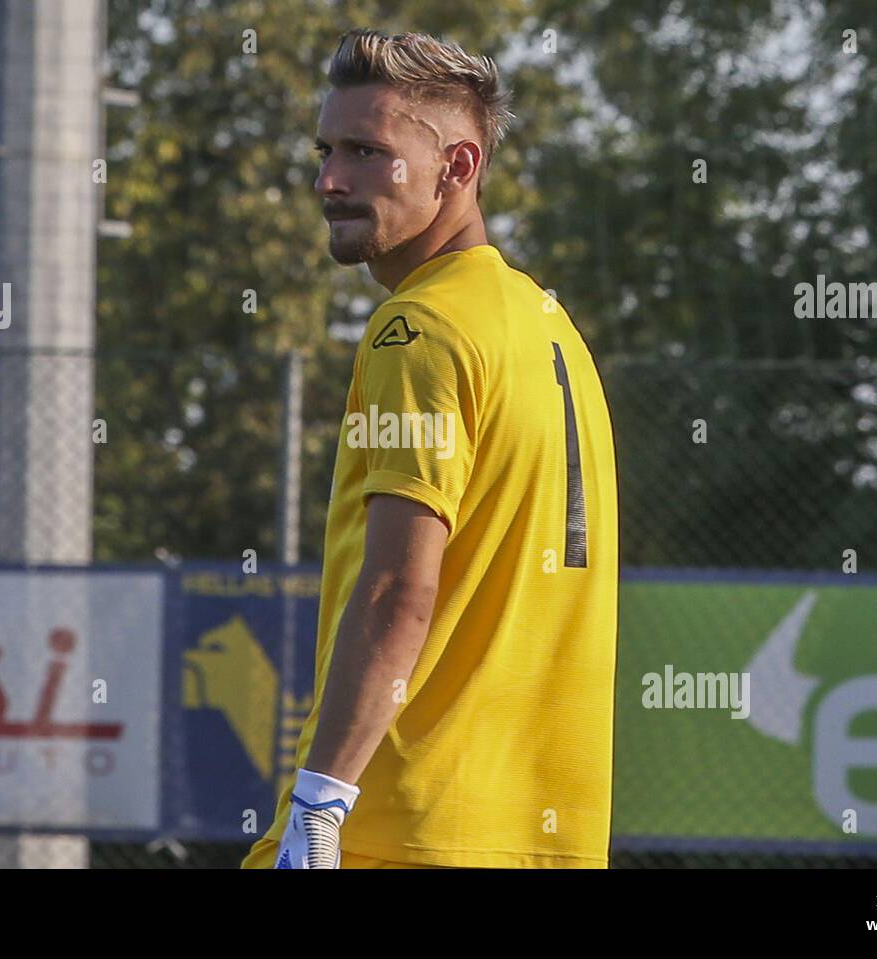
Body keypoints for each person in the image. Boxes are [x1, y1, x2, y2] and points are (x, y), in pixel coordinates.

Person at [241, 27, 619, 869]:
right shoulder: (553, 330)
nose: (328, 180)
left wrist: (319, 805)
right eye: (326, 149)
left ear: (458, 168)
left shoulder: (418, 328)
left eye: (368, 152)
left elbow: (398, 591)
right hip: (542, 840)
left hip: (397, 831)